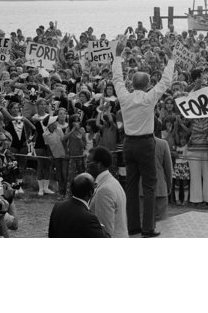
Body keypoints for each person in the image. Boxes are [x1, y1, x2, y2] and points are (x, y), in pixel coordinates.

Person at [112, 40, 174, 238]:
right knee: (149, 186)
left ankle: (133, 227)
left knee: (130, 185)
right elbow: (165, 81)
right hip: (146, 143)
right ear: (148, 85)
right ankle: (148, 228)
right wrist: (170, 59)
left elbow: (117, 79)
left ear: (133, 84)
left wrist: (118, 56)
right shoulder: (150, 97)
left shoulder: (124, 96)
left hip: (128, 143)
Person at [48, 173, 110, 238]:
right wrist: (100, 228)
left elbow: (51, 235)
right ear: (91, 192)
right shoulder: (89, 218)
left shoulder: (58, 206)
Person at [87, 146, 128, 238]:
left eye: (88, 163)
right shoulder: (111, 182)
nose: (86, 166)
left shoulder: (104, 190)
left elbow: (105, 231)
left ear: (99, 165)